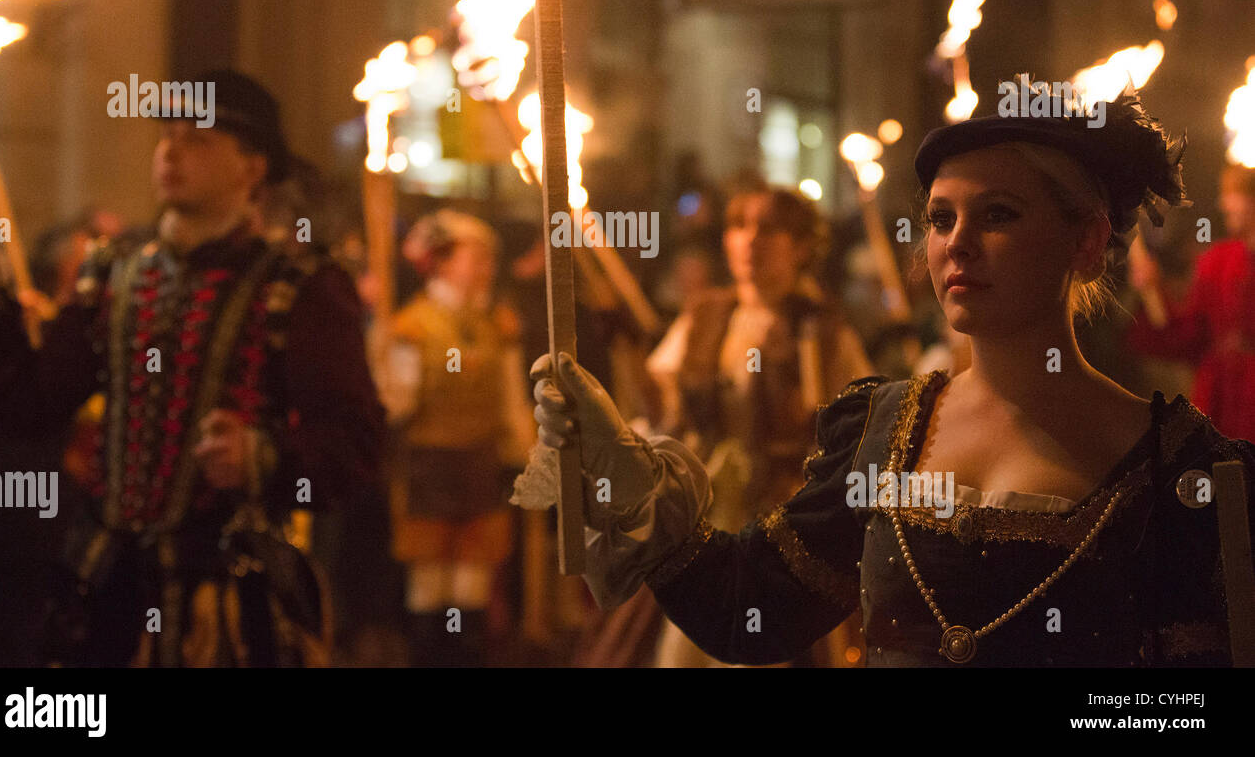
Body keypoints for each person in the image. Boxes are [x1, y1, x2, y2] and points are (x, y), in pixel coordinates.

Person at [530, 81, 1255, 666]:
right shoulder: (883, 430)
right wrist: (625, 476)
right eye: (941, 219)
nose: (958, 244)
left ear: (1087, 240)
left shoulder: (1181, 469)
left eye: (997, 214)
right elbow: (751, 613)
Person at [0, 69, 389, 666]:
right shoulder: (113, 270)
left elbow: (357, 442)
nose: (172, 151)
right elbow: (28, 403)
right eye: (168, 134)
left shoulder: (302, 286)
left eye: (199, 138)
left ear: (252, 167)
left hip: (229, 604)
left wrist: (261, 454)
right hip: (105, 592)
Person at [642, 183, 872, 666]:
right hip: (710, 504)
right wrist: (624, 341)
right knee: (684, 649)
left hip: (782, 513)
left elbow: (854, 431)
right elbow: (662, 415)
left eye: (768, 229)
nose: (749, 241)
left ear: (802, 246)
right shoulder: (706, 316)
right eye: (739, 226)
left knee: (763, 648)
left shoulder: (823, 329)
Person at [371, 210, 535, 666]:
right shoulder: (412, 327)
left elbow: (510, 398)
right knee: (429, 579)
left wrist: (527, 451)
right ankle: (430, 655)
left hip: (479, 465)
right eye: (474, 257)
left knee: (472, 579)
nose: (486, 268)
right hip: (428, 468)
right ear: (442, 262)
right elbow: (396, 403)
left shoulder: (497, 324)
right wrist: (384, 363)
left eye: (489, 258)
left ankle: (466, 654)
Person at [1128, 162, 1255, 444]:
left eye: (1235, 194)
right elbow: (1188, 337)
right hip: (1222, 403)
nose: (1224, 204)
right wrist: (1154, 289)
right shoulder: (1216, 262)